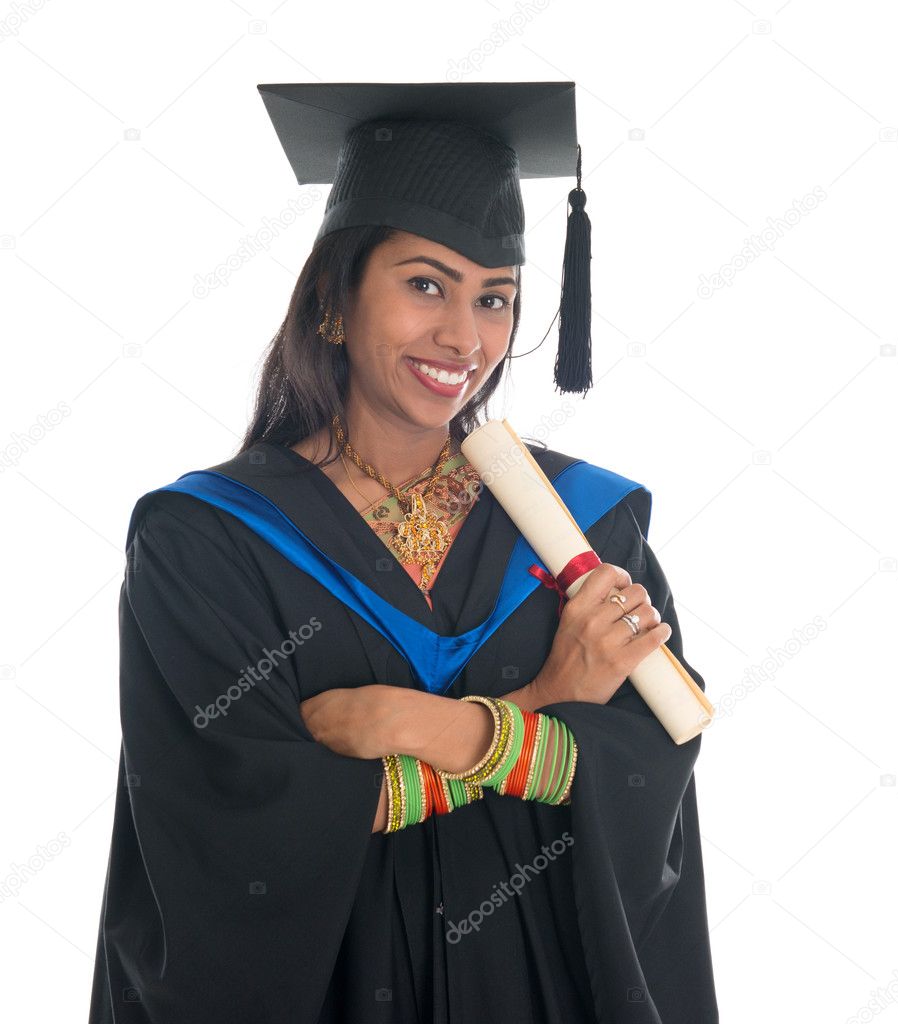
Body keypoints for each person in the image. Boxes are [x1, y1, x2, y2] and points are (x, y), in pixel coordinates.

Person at [88, 81, 719, 1023]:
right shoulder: (207, 538)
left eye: (495, 298)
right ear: (336, 297)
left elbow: (657, 755)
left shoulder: (583, 521)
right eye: (425, 284)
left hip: (539, 988)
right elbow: (230, 817)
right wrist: (543, 705)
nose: (464, 338)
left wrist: (442, 729)